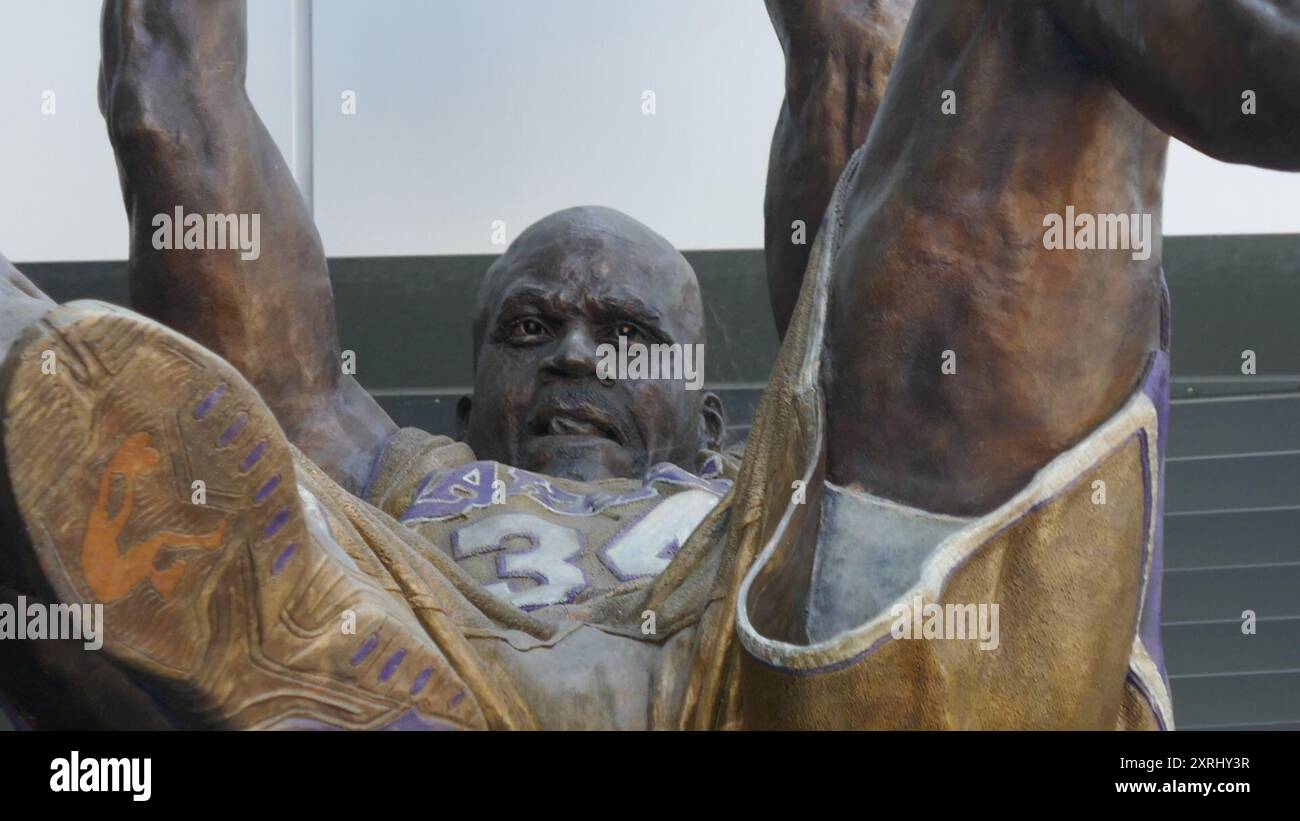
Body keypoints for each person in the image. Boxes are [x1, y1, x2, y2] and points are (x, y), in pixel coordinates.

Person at [9, 0, 1293, 730]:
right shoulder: (382, 474)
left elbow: (856, 52)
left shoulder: (764, 487)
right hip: (396, 679)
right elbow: (168, 107)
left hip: (792, 686)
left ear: (710, 411)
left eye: (627, 335)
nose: (575, 352)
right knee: (57, 386)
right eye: (532, 328)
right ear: (460, 407)